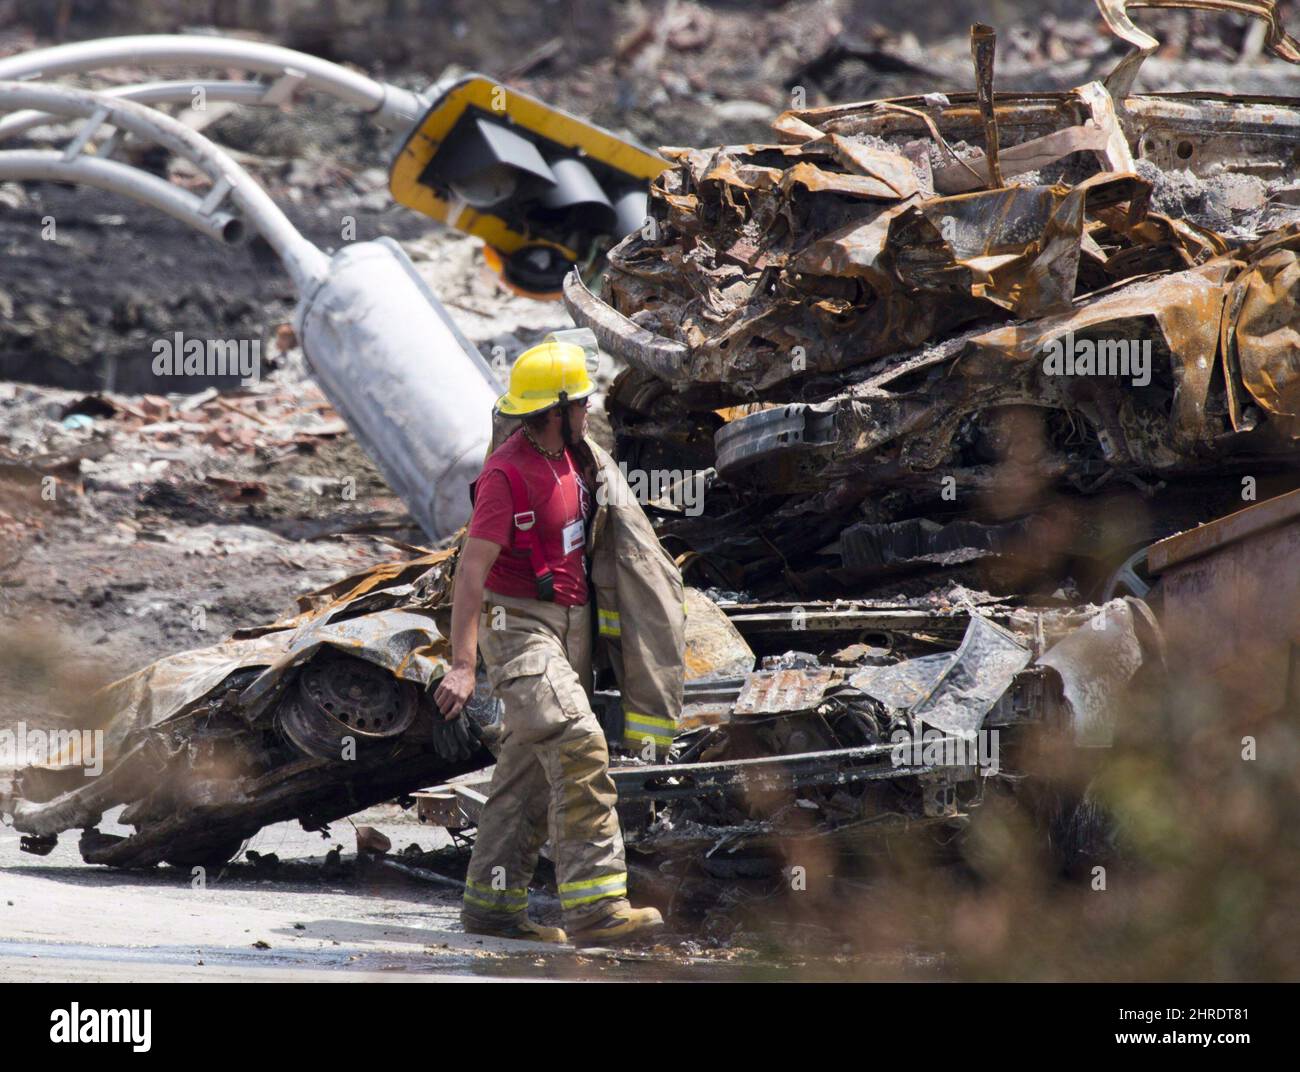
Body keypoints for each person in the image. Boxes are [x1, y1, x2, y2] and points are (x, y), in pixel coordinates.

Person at [433, 339, 673, 944]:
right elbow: (470, 572)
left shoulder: (578, 457)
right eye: (582, 404)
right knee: (577, 743)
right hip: (517, 631)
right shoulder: (504, 475)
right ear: (554, 409)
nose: (588, 413)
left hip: (571, 632)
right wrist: (464, 665)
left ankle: (491, 907)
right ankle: (597, 907)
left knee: (526, 776)